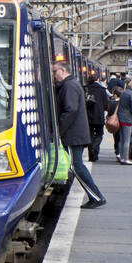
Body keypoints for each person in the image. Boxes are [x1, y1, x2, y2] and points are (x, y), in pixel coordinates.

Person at [53, 62, 106, 209]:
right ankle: (96, 196)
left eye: (55, 71)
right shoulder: (72, 85)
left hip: (72, 134)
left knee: (76, 166)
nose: (53, 75)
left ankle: (96, 196)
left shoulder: (69, 86)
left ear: (62, 71)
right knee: (77, 165)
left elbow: (70, 110)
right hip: (77, 133)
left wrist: (59, 131)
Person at [109, 79, 132, 165]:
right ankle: (126, 158)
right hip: (127, 118)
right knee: (127, 139)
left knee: (122, 139)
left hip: (120, 117)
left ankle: (122, 157)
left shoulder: (124, 92)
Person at [84, 73, 109, 162]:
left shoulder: (85, 88)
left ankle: (91, 154)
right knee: (99, 134)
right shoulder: (102, 90)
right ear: (97, 79)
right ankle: (95, 148)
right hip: (99, 116)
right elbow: (106, 104)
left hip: (88, 116)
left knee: (90, 135)